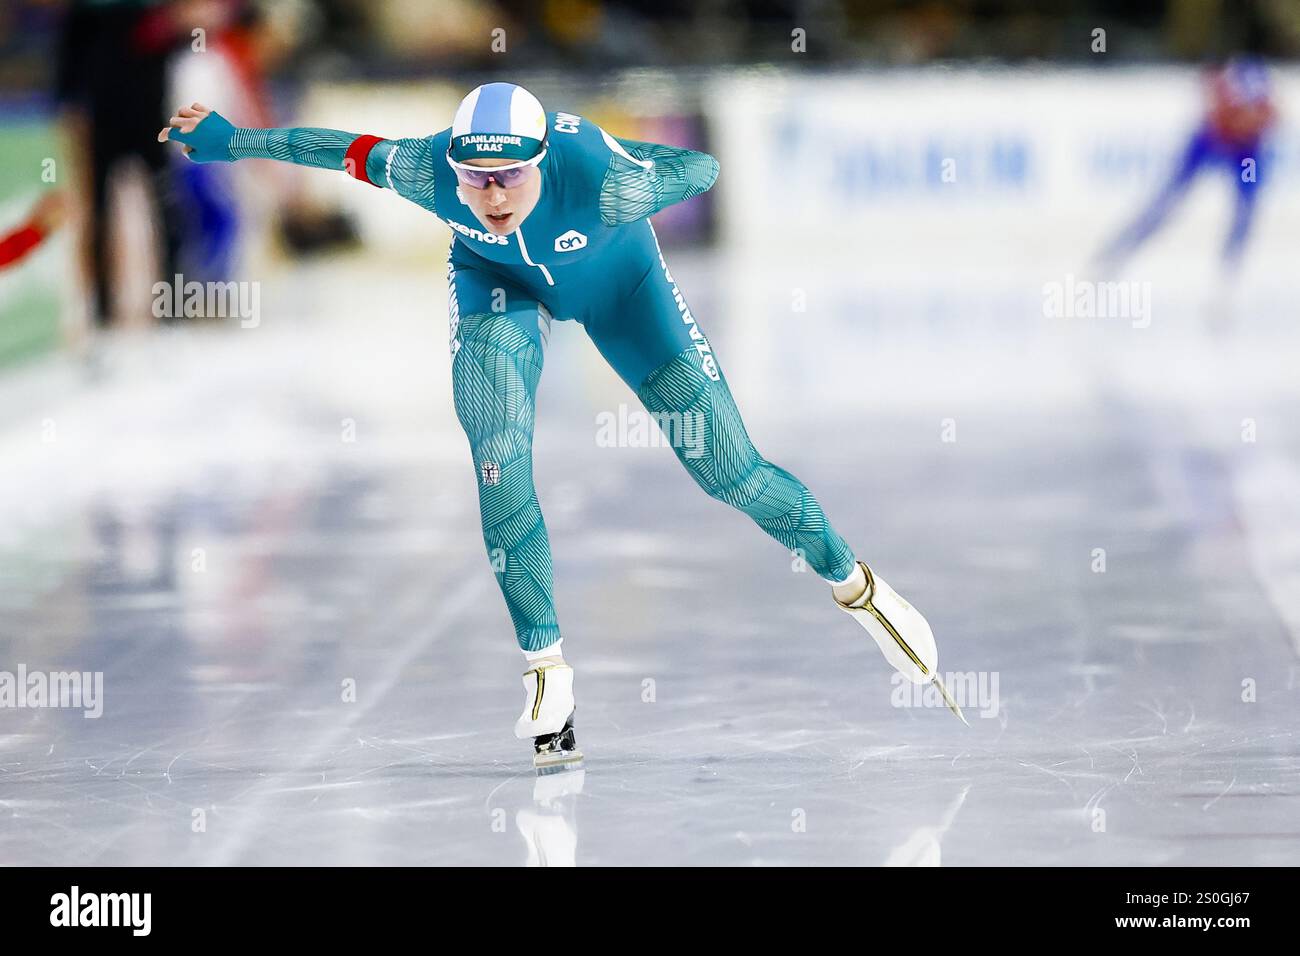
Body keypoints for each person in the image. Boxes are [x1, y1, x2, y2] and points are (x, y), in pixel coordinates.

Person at [159, 82, 960, 771]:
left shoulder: (599, 175)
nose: (493, 197)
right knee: (499, 456)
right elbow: (334, 148)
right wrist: (234, 140)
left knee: (728, 471)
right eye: (475, 182)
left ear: (541, 162)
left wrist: (652, 184)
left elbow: (703, 168)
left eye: (508, 177)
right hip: (495, 290)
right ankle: (546, 668)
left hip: (623, 288)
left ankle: (855, 585)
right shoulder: (426, 169)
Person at [1097, 58, 1276, 274]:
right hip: (1211, 141)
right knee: (1168, 200)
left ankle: (1230, 268)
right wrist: (1235, 124)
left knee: (1245, 206)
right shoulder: (1220, 90)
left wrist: (1245, 126)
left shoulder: (1248, 86)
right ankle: (1119, 249)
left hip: (1245, 152)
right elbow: (1219, 115)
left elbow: (1270, 117)